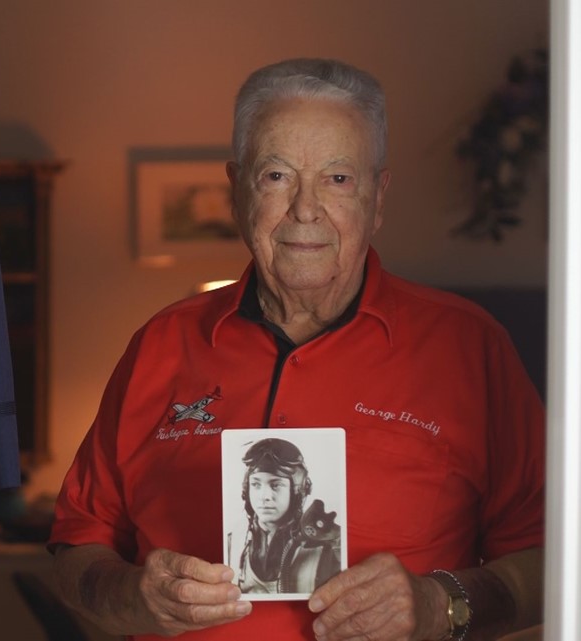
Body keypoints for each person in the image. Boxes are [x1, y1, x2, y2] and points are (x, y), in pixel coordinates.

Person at [48, 58, 545, 641]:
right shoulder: (159, 344)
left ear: (378, 199)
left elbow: (552, 563)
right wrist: (128, 596)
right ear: (236, 190)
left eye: (338, 179)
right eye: (277, 176)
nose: (306, 209)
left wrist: (440, 604)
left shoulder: (470, 348)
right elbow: (76, 545)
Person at [232, 438, 340, 595]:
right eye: (256, 484)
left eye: (276, 485)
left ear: (298, 491)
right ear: (246, 489)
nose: (264, 496)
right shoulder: (233, 543)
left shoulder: (328, 547)